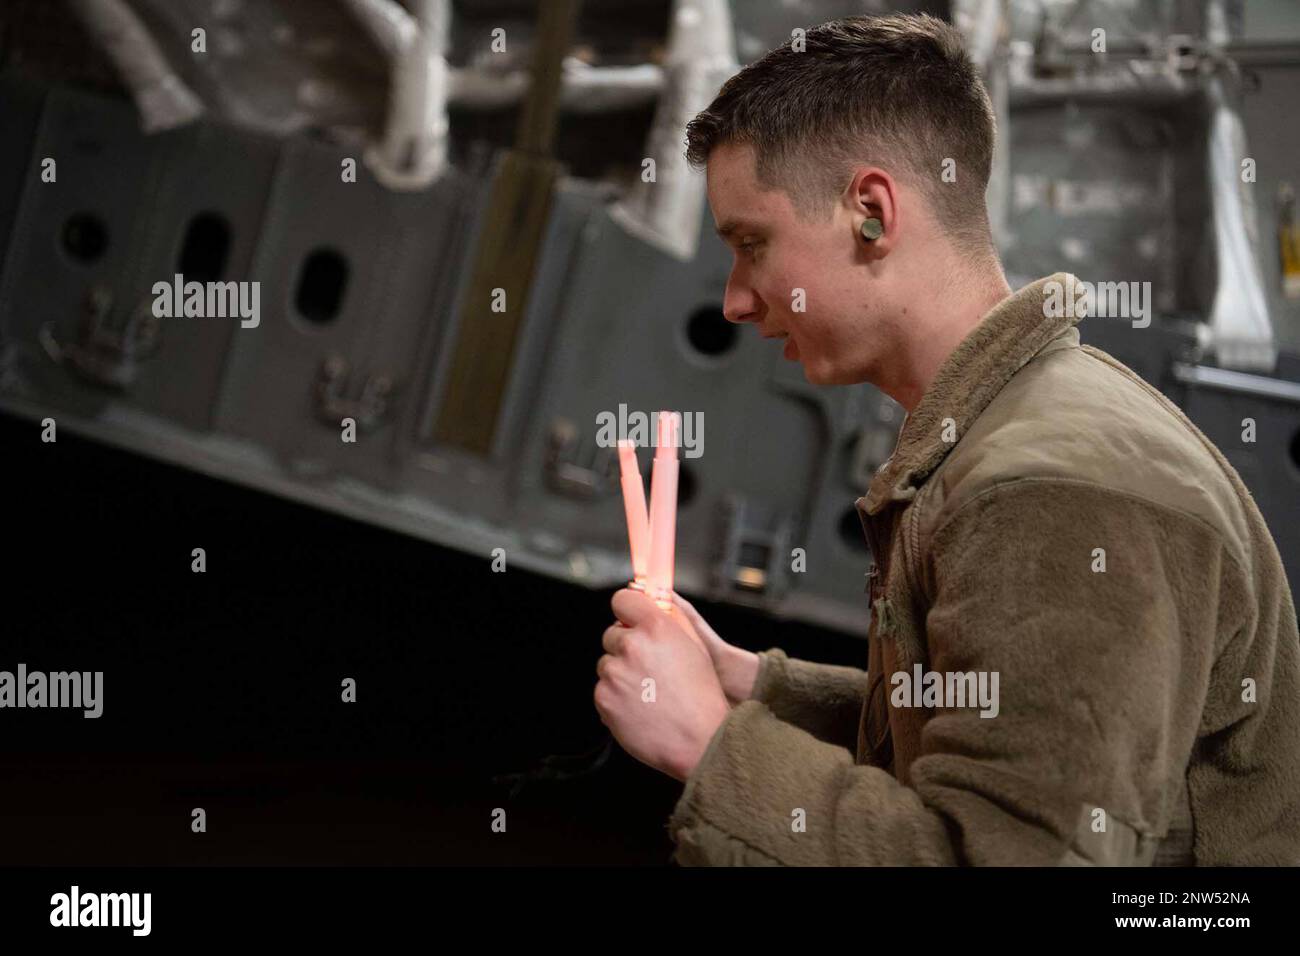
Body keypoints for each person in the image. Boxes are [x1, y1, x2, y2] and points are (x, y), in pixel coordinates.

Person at [592, 13, 1300, 865]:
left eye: (753, 244)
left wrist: (710, 746)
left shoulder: (1050, 493)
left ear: (871, 213)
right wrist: (754, 688)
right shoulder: (1022, 432)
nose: (737, 299)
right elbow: (983, 727)